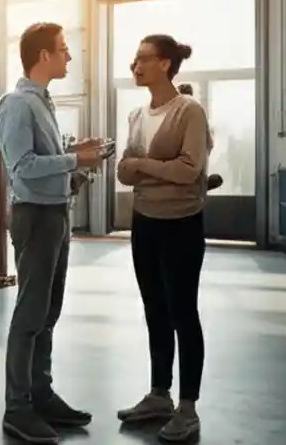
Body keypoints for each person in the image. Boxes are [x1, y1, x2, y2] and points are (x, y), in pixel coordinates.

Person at [0, 22, 108, 444]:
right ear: (43, 55)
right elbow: (21, 167)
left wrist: (77, 161)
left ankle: (40, 394)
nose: (68, 56)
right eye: (62, 49)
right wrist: (72, 157)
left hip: (55, 216)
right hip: (36, 218)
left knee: (48, 312)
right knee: (30, 315)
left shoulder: (44, 103)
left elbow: (49, 163)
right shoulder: (17, 105)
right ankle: (17, 408)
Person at [115, 34, 211, 443]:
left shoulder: (189, 112)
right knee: (154, 307)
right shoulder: (137, 114)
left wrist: (142, 166)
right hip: (145, 222)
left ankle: (187, 408)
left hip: (181, 223)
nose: (135, 66)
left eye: (143, 59)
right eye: (134, 59)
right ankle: (159, 394)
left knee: (182, 312)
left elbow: (190, 169)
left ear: (167, 64)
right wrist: (149, 167)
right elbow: (122, 171)